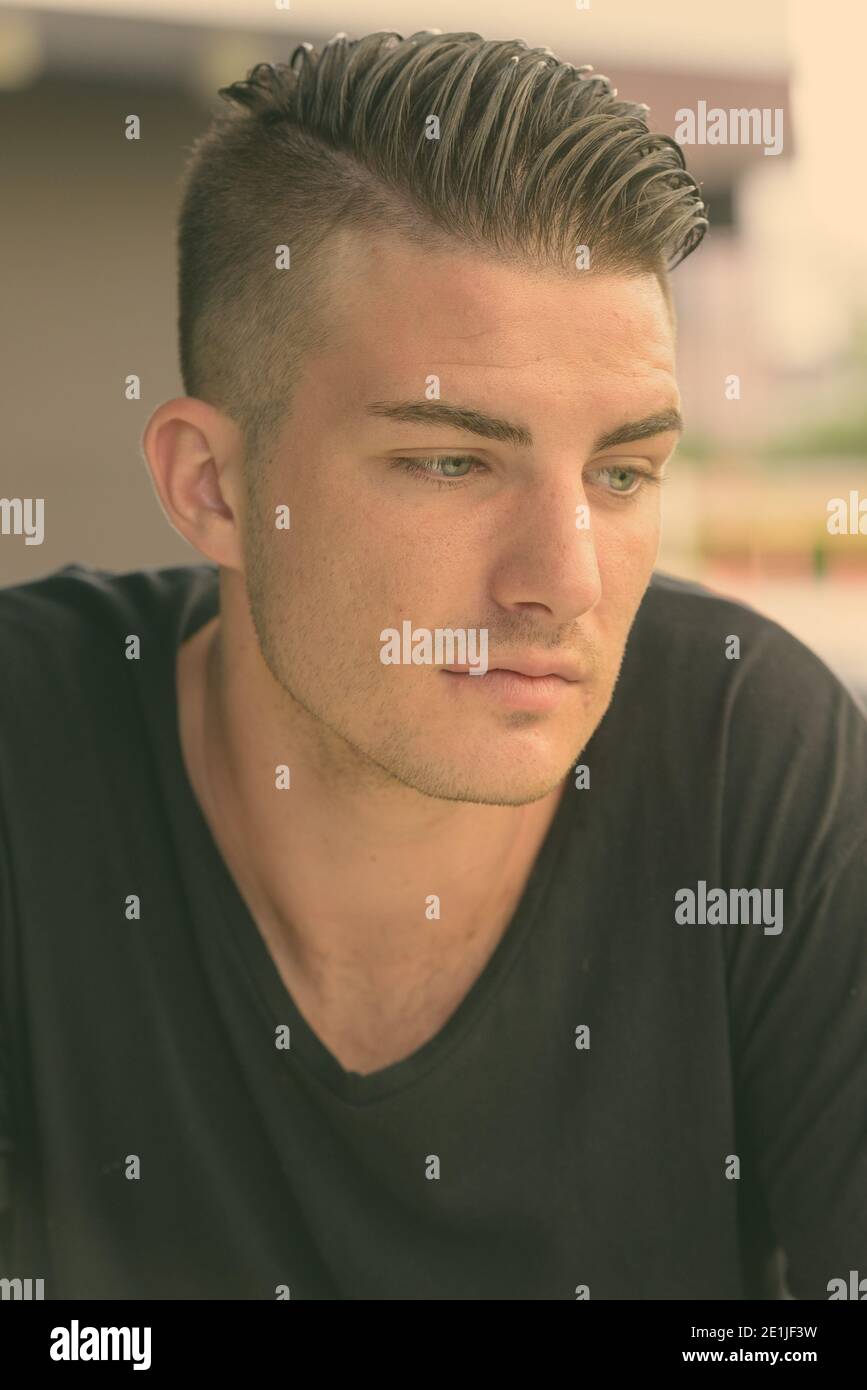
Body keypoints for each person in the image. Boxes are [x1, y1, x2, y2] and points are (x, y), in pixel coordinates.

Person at [1, 29, 865, 1302]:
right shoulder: (30, 754)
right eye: (452, 462)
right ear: (214, 486)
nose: (563, 580)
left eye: (621, 473)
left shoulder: (755, 760)